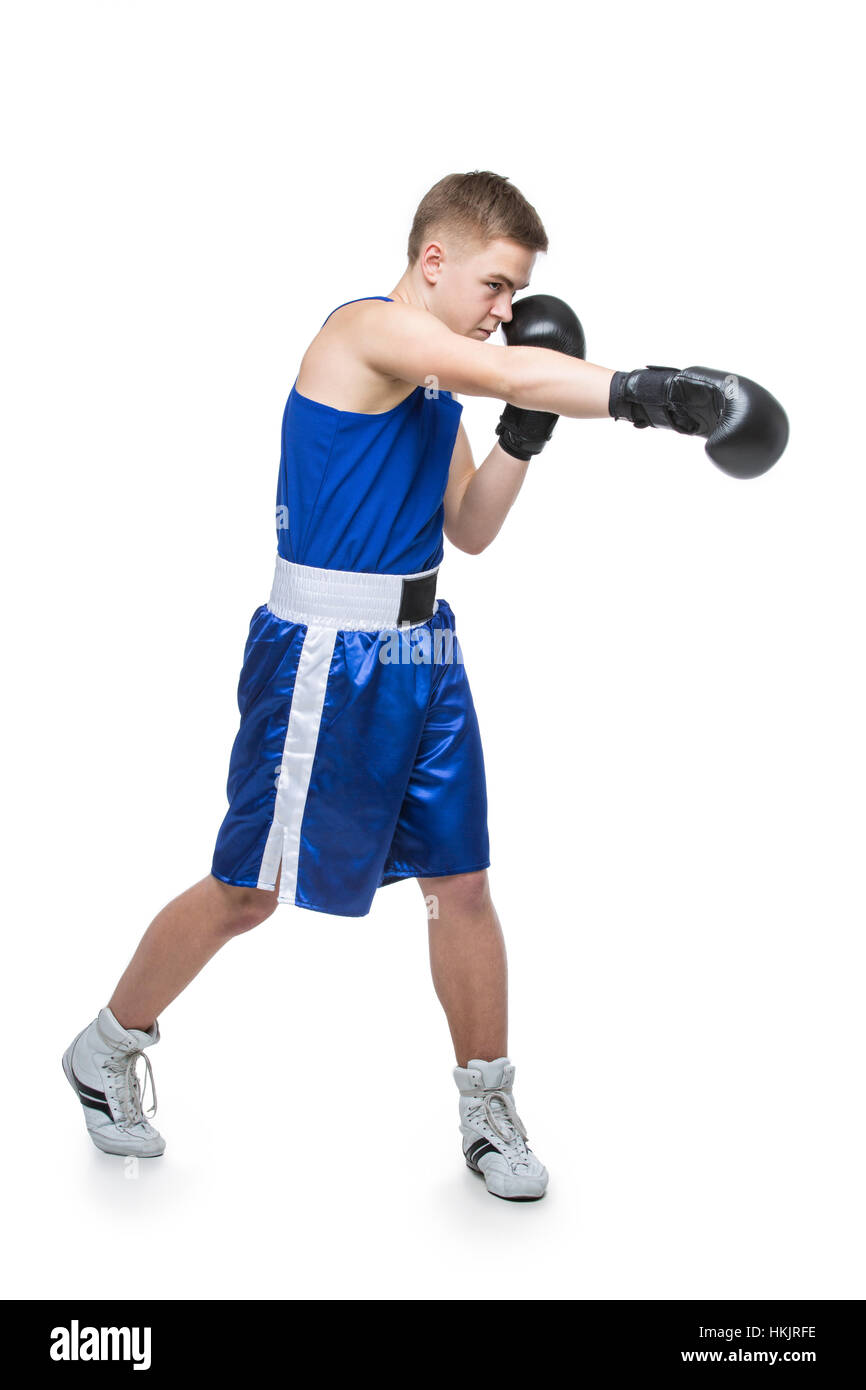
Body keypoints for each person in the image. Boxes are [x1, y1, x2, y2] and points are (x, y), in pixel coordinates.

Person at [62, 171, 788, 1202]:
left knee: (461, 885)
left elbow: (472, 529)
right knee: (247, 892)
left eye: (514, 294)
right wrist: (661, 396)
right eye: (496, 285)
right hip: (322, 657)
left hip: (422, 652)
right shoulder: (366, 333)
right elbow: (500, 370)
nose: (504, 309)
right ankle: (103, 1047)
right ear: (433, 261)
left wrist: (526, 439)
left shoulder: (440, 389)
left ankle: (486, 1111)